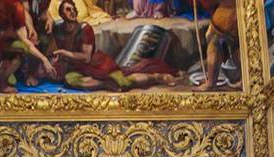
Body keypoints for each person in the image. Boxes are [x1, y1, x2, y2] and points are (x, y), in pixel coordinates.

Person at [48, 0, 178, 90]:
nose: (72, 12)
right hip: (76, 68)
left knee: (124, 81)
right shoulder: (59, 28)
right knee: (70, 79)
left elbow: (86, 57)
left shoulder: (85, 29)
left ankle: (156, 77)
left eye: (73, 9)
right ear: (61, 14)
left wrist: (65, 53)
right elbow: (54, 49)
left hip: (96, 65)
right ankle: (105, 84)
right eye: (68, 10)